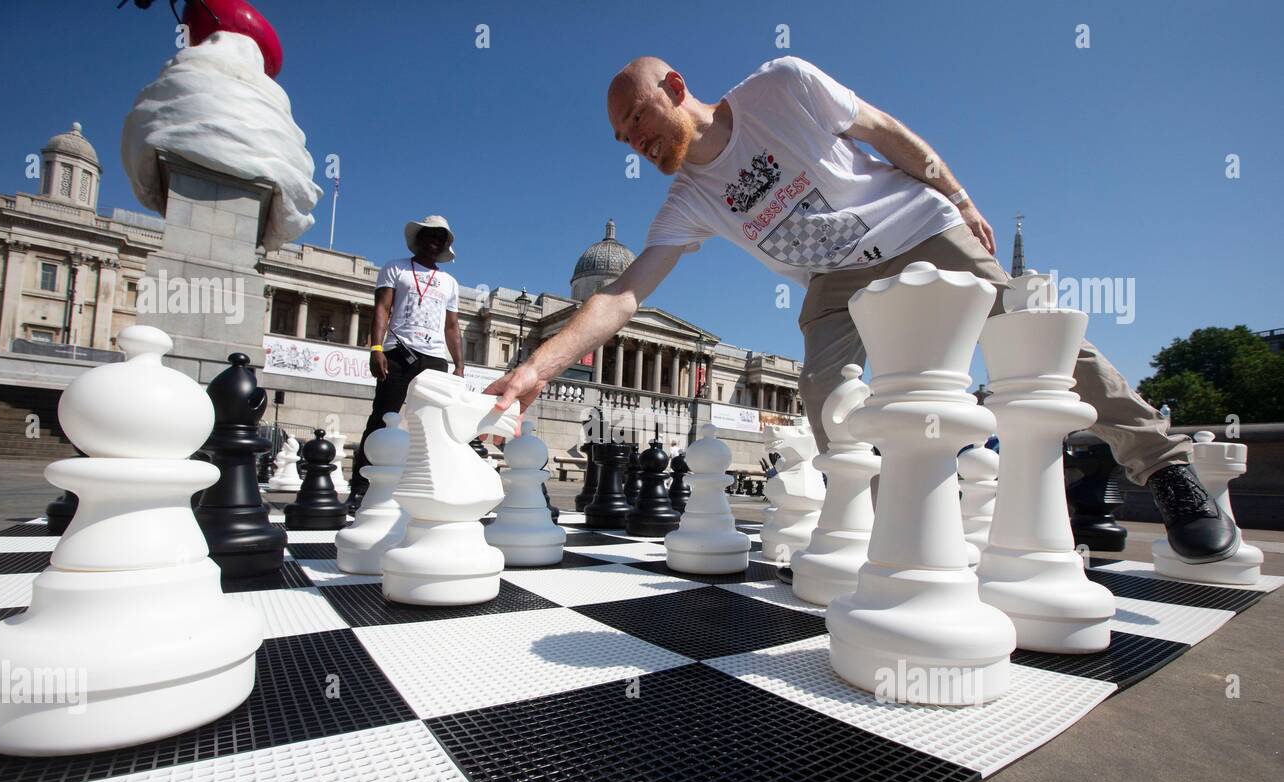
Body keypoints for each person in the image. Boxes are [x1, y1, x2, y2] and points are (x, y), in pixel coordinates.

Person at [485, 56, 1237, 566]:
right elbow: (623, 293)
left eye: (638, 120)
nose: (636, 142)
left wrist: (961, 197)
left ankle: (1165, 469)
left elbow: (887, 133)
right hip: (837, 280)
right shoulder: (688, 200)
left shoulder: (783, 86)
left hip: (915, 226)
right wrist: (532, 371)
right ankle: (901, 524)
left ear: (675, 86)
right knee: (826, 394)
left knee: (1033, 339)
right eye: (624, 139)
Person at [346, 215, 464, 511]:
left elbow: (452, 326)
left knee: (430, 424)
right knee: (383, 417)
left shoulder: (449, 282)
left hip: (434, 358)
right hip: (398, 351)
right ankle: (360, 486)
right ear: (419, 238)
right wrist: (376, 348)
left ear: (445, 245)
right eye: (431, 235)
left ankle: (427, 484)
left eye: (442, 238)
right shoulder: (395, 268)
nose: (435, 241)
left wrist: (459, 364)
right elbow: (382, 309)